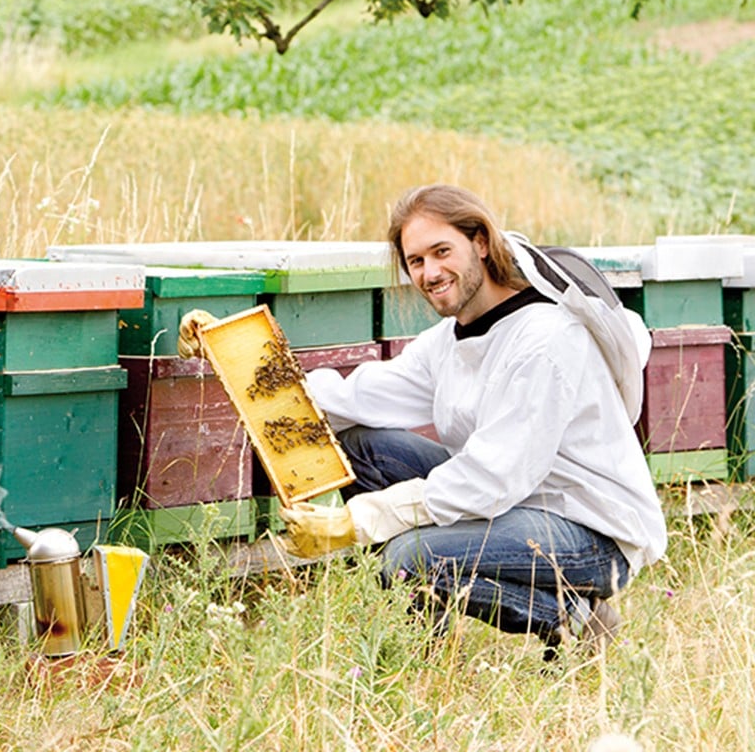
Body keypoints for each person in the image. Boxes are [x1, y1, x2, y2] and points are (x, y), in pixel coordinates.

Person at [179, 184, 668, 657]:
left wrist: (355, 522)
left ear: (480, 242)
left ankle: (576, 619)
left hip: (588, 532)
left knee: (409, 557)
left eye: (441, 251)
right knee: (361, 447)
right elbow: (355, 398)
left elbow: (491, 478)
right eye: (416, 261)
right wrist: (232, 357)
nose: (430, 272)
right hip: (517, 508)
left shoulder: (545, 340)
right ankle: (421, 640)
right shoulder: (450, 339)